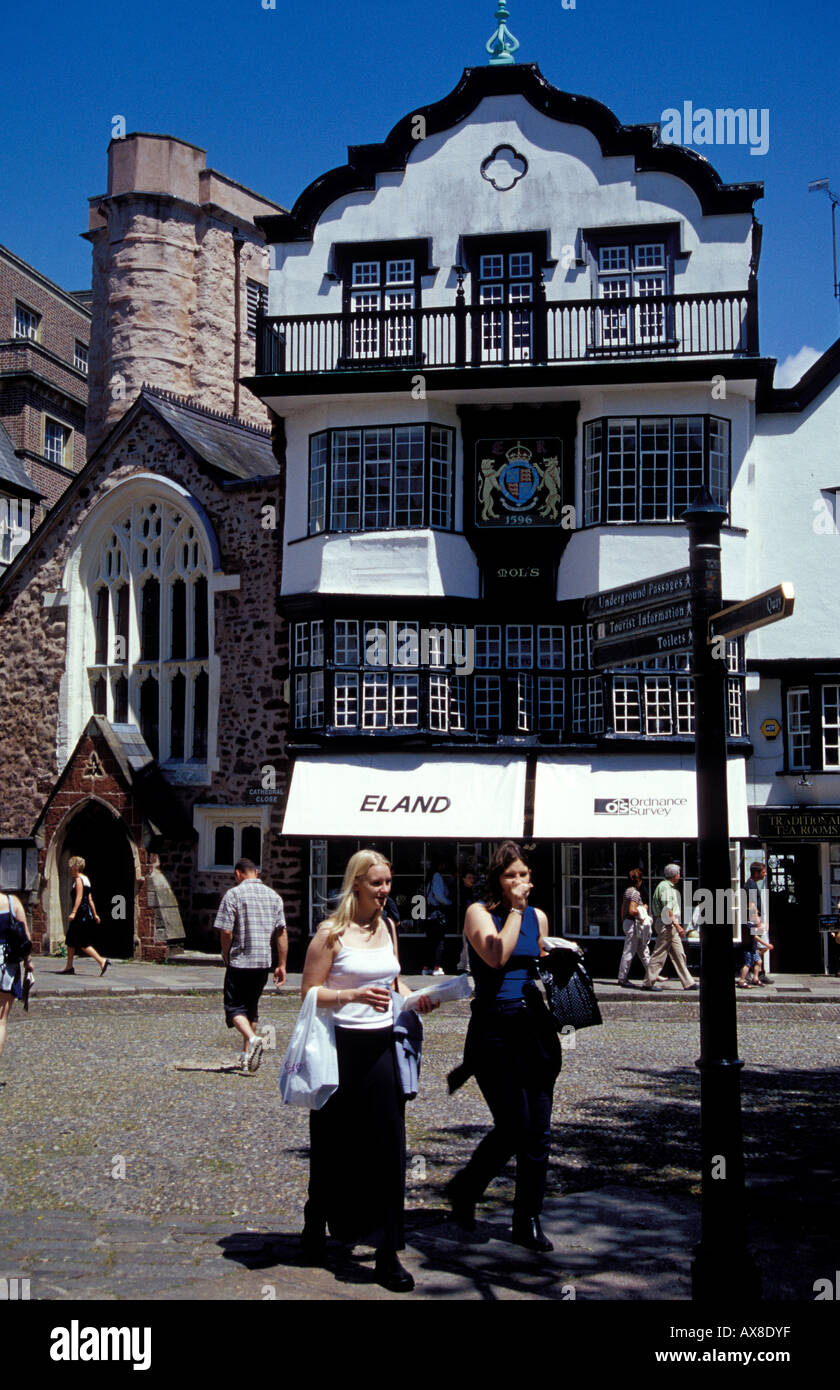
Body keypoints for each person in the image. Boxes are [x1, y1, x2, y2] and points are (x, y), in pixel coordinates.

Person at [299, 849, 436, 1294]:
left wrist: (417, 996)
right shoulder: (330, 934)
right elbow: (308, 994)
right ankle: (316, 1220)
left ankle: (386, 1251)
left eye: (388, 883)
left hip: (383, 1049)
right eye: (376, 883)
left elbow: (394, 982)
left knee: (389, 1148)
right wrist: (350, 995)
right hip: (340, 1049)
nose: (384, 891)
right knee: (333, 1145)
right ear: (356, 883)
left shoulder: (389, 927)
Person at [446, 841, 563, 1252]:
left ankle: (527, 1217)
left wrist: (563, 963)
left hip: (533, 1026)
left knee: (540, 1131)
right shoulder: (479, 913)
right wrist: (513, 911)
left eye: (525, 875)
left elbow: (540, 968)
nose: (519, 882)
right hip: (495, 1029)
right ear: (498, 878)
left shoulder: (539, 917)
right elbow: (496, 955)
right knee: (514, 1125)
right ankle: (466, 1187)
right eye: (511, 875)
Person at [214, 858, 287, 1072]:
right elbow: (282, 932)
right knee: (251, 1008)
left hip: (240, 960)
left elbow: (226, 932)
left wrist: (225, 954)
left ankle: (253, 1040)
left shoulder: (233, 895)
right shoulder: (274, 897)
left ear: (238, 874)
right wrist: (281, 964)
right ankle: (246, 1057)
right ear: (256, 872)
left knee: (234, 1007)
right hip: (262, 962)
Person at [642, 863, 697, 991]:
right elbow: (667, 909)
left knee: (679, 954)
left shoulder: (669, 887)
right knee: (659, 954)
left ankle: (688, 982)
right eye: (678, 873)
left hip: (669, 924)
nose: (680, 875)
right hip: (667, 924)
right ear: (674, 874)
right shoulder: (666, 888)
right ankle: (648, 983)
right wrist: (677, 926)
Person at [0, 888, 32, 1085]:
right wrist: (29, 963)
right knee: (1, 1021)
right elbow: (25, 939)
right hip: (6, 966)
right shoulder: (13, 903)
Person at [60, 856, 109, 976]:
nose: (70, 869)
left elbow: (80, 897)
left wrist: (73, 912)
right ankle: (69, 966)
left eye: (71, 866)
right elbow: (90, 899)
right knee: (71, 940)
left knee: (82, 942)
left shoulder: (78, 880)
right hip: (85, 914)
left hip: (80, 915)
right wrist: (95, 914)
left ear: (76, 867)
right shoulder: (86, 879)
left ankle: (101, 961)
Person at [617, 868, 652, 987]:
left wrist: (623, 921)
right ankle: (622, 978)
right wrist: (643, 910)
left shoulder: (627, 891)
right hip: (633, 924)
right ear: (639, 880)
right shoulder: (635, 893)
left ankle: (653, 973)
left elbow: (623, 908)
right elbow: (632, 910)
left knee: (643, 950)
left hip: (628, 922)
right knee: (629, 952)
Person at [738, 861, 768, 989]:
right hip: (752, 922)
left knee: (758, 948)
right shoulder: (750, 885)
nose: (765, 874)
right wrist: (757, 922)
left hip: (754, 920)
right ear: (756, 873)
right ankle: (749, 975)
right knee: (760, 946)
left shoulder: (753, 884)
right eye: (763, 872)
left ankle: (755, 975)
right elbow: (751, 905)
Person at [423, 858, 454, 975]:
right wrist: (449, 902)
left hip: (429, 912)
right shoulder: (437, 876)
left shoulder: (430, 877)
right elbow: (439, 895)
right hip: (437, 912)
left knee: (430, 941)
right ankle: (437, 967)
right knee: (439, 940)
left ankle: (426, 967)